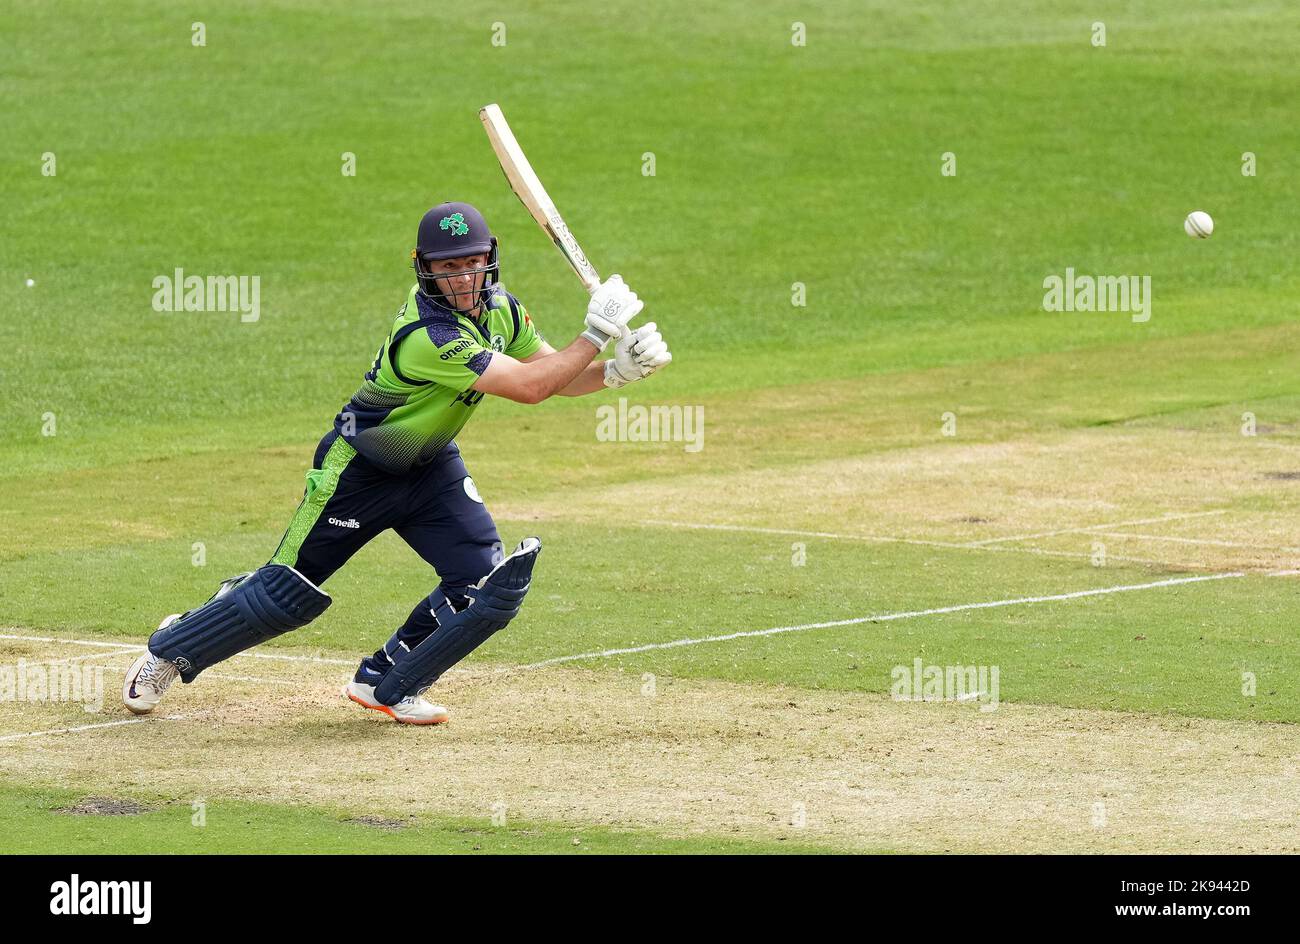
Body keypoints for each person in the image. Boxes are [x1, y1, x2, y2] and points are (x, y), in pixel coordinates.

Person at [122, 201, 671, 724]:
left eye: (471, 262)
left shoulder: (502, 309)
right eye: (447, 266)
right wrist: (595, 334)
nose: (461, 277)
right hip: (359, 468)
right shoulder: (426, 335)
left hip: (430, 467)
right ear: (424, 268)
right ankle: (176, 645)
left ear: (490, 259)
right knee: (286, 596)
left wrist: (614, 372)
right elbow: (528, 390)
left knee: (484, 582)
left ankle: (387, 682)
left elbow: (552, 374)